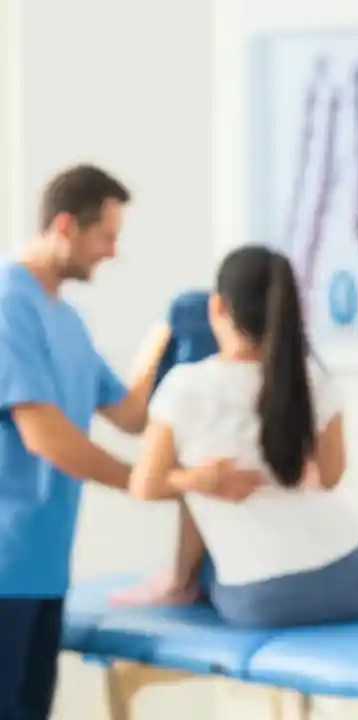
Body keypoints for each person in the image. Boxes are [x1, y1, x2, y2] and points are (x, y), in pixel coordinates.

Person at [0, 164, 259, 720]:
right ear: (65, 226)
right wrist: (156, 484)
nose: (113, 252)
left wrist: (169, 334)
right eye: (107, 236)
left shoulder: (66, 321)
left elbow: (131, 413)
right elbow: (44, 436)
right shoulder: (8, 304)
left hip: (44, 566)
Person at [124, 244, 358, 629]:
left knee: (206, 572)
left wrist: (198, 480)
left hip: (267, 595)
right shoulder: (313, 379)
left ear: (218, 307)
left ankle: (178, 582)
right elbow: (330, 476)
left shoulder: (184, 385)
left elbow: (144, 485)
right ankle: (178, 580)